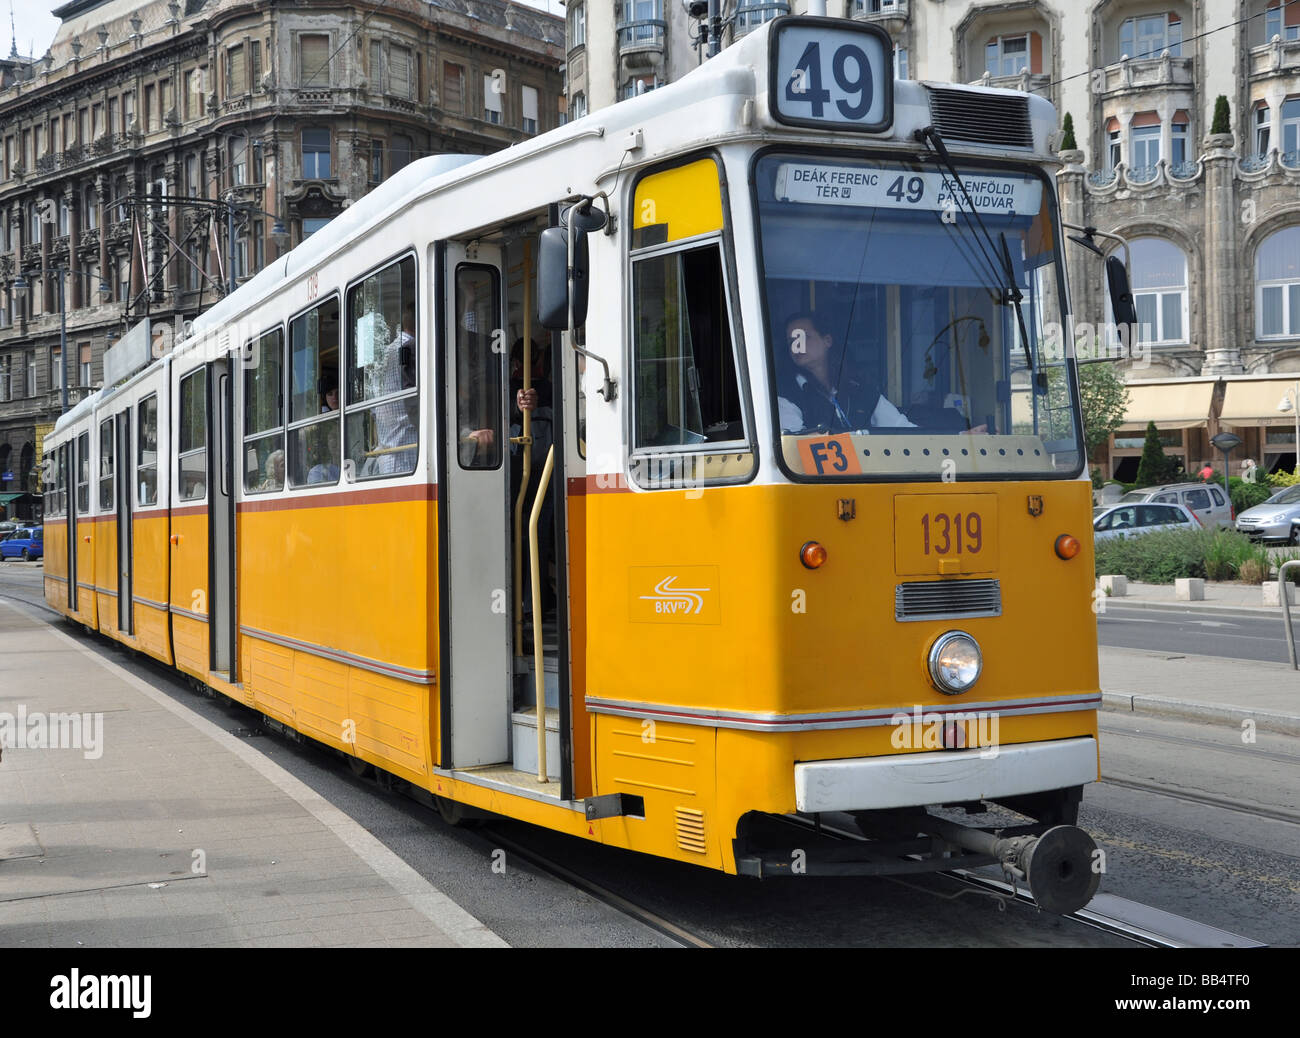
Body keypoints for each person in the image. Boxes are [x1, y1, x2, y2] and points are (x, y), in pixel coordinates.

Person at [777, 311, 916, 434]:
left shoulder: (859, 387)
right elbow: (794, 443)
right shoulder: (786, 393)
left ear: (827, 341)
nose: (796, 346)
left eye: (804, 337)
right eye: (791, 341)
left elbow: (902, 429)